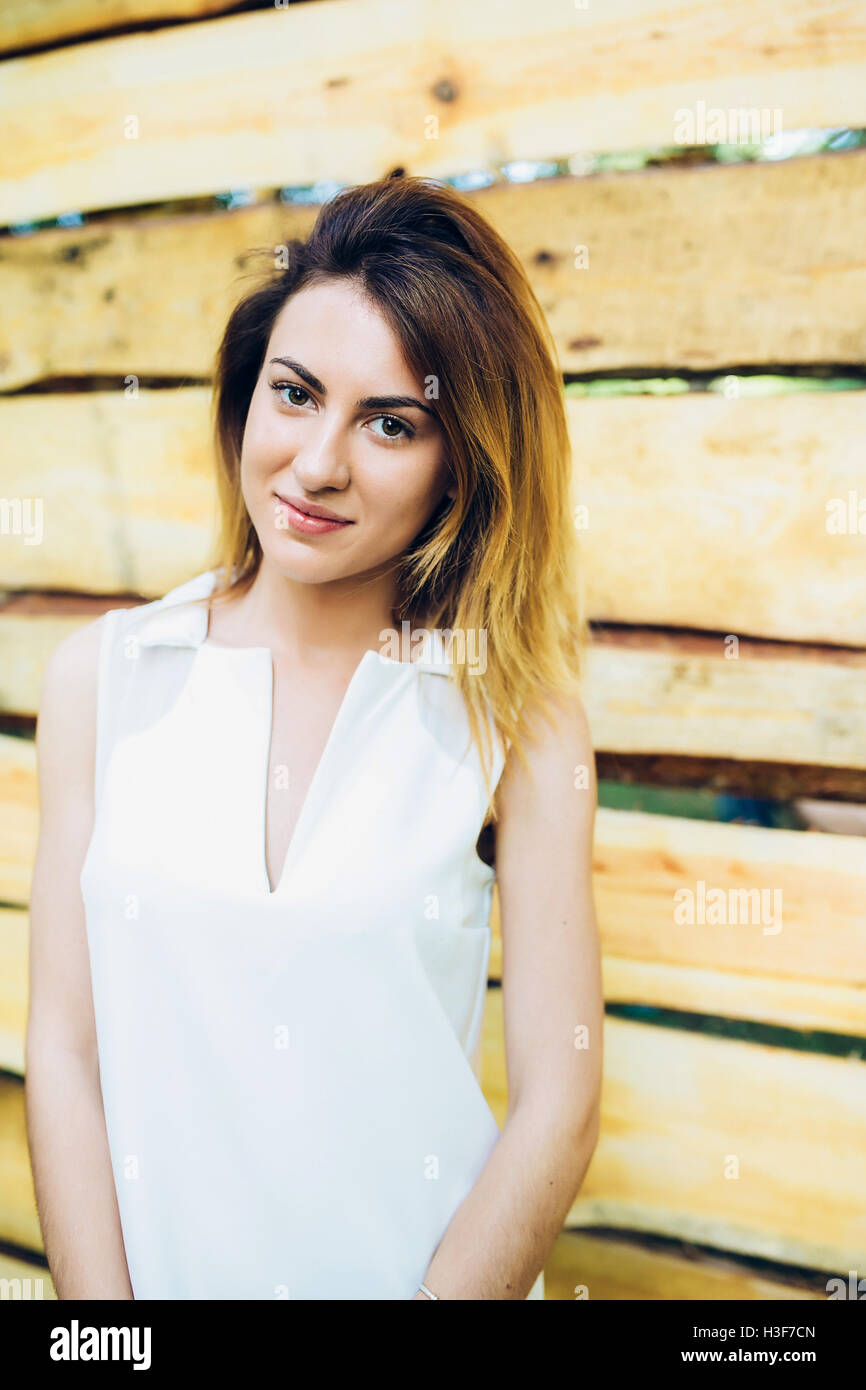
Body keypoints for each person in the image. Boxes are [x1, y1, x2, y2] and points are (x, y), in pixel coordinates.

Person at [25, 175, 603, 1300]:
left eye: (391, 423)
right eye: (295, 394)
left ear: (460, 465)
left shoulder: (518, 718)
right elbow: (65, 1054)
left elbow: (558, 1099)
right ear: (247, 399)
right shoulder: (106, 678)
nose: (318, 463)